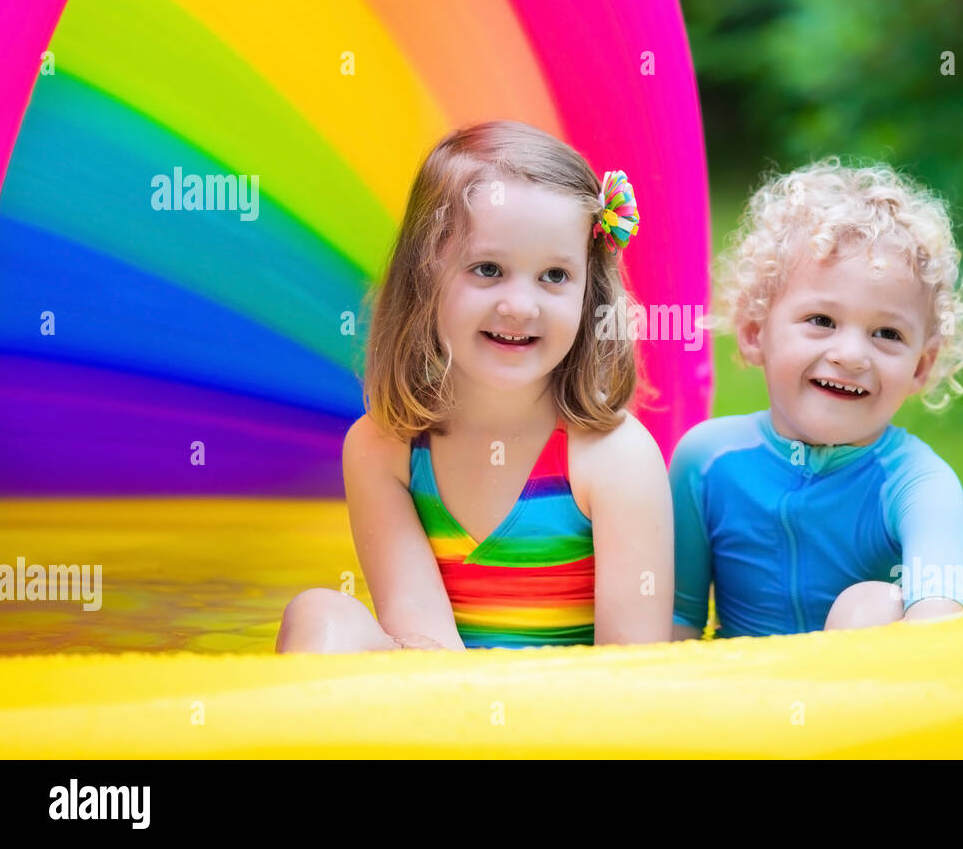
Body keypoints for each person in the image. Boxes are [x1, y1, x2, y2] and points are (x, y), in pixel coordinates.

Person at [278, 120, 673, 652]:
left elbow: (631, 675)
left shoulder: (615, 457)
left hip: (574, 718)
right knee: (318, 615)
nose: (520, 306)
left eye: (555, 276)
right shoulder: (383, 449)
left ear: (588, 291)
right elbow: (424, 643)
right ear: (425, 278)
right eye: (488, 269)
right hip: (443, 704)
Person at [671, 158, 963, 640]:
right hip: (737, 704)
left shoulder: (920, 484)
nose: (851, 355)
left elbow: (943, 624)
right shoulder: (706, 461)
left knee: (869, 605)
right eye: (821, 321)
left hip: (865, 705)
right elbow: (674, 627)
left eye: (887, 333)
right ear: (754, 333)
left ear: (921, 366)